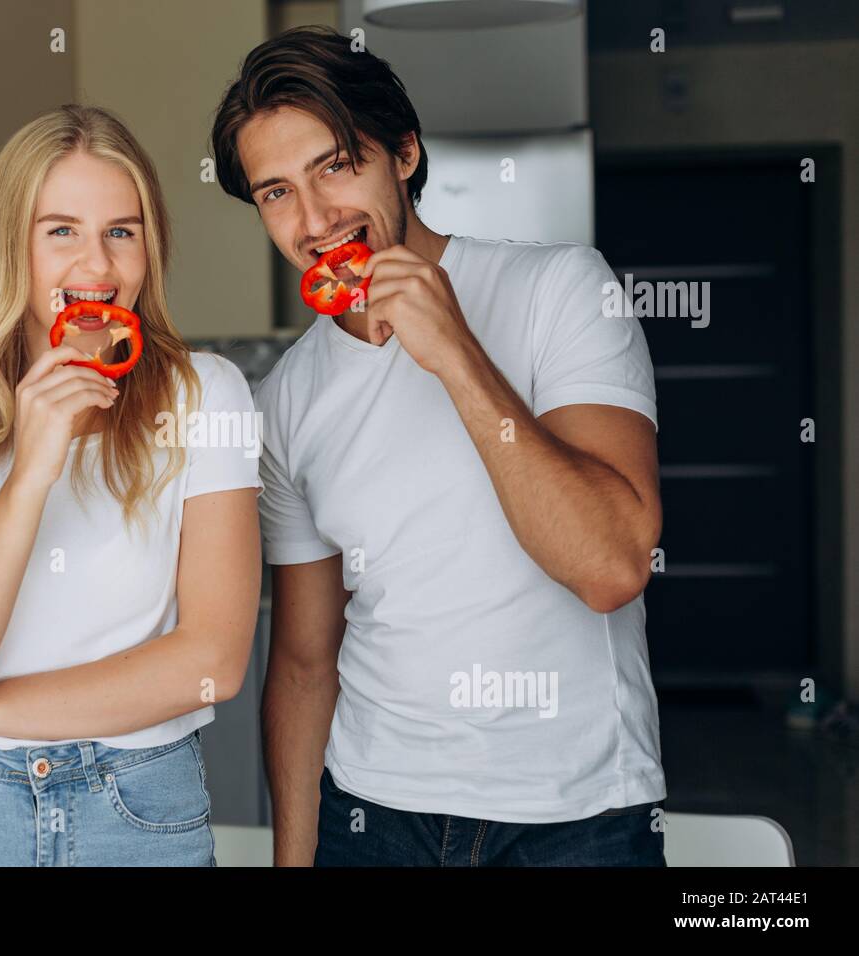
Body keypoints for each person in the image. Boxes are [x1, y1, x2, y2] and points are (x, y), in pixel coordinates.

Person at [210, 26, 667, 866]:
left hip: (575, 815)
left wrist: (456, 353)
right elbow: (306, 664)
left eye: (334, 166)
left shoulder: (562, 290)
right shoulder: (284, 400)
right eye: (276, 192)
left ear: (404, 153)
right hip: (373, 815)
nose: (314, 220)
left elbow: (610, 568)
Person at [0, 104, 262, 867]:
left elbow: (212, 663)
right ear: (10, 248)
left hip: (141, 806)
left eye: (122, 231)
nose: (98, 267)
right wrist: (31, 473)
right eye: (61, 232)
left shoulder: (206, 397)